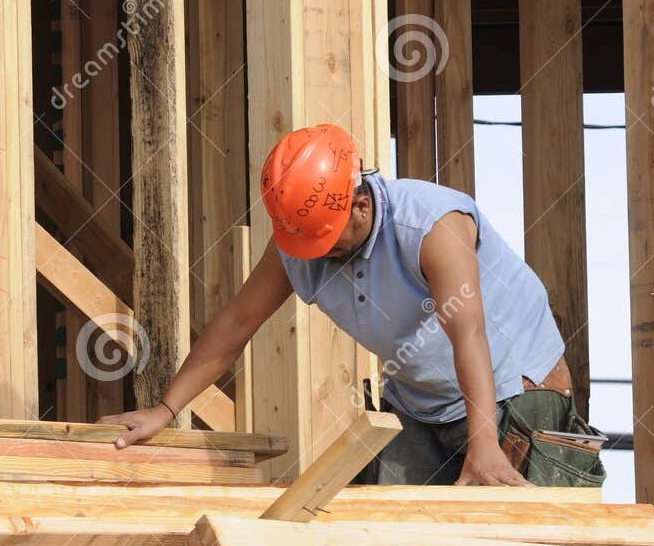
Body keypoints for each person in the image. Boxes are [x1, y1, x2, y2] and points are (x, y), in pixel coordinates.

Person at [101, 124, 604, 488]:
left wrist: (485, 443)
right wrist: (166, 410)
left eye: (326, 242)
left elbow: (468, 331)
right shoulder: (300, 243)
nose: (317, 257)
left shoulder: (431, 225)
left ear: (361, 205)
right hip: (421, 403)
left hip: (514, 395)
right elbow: (237, 323)